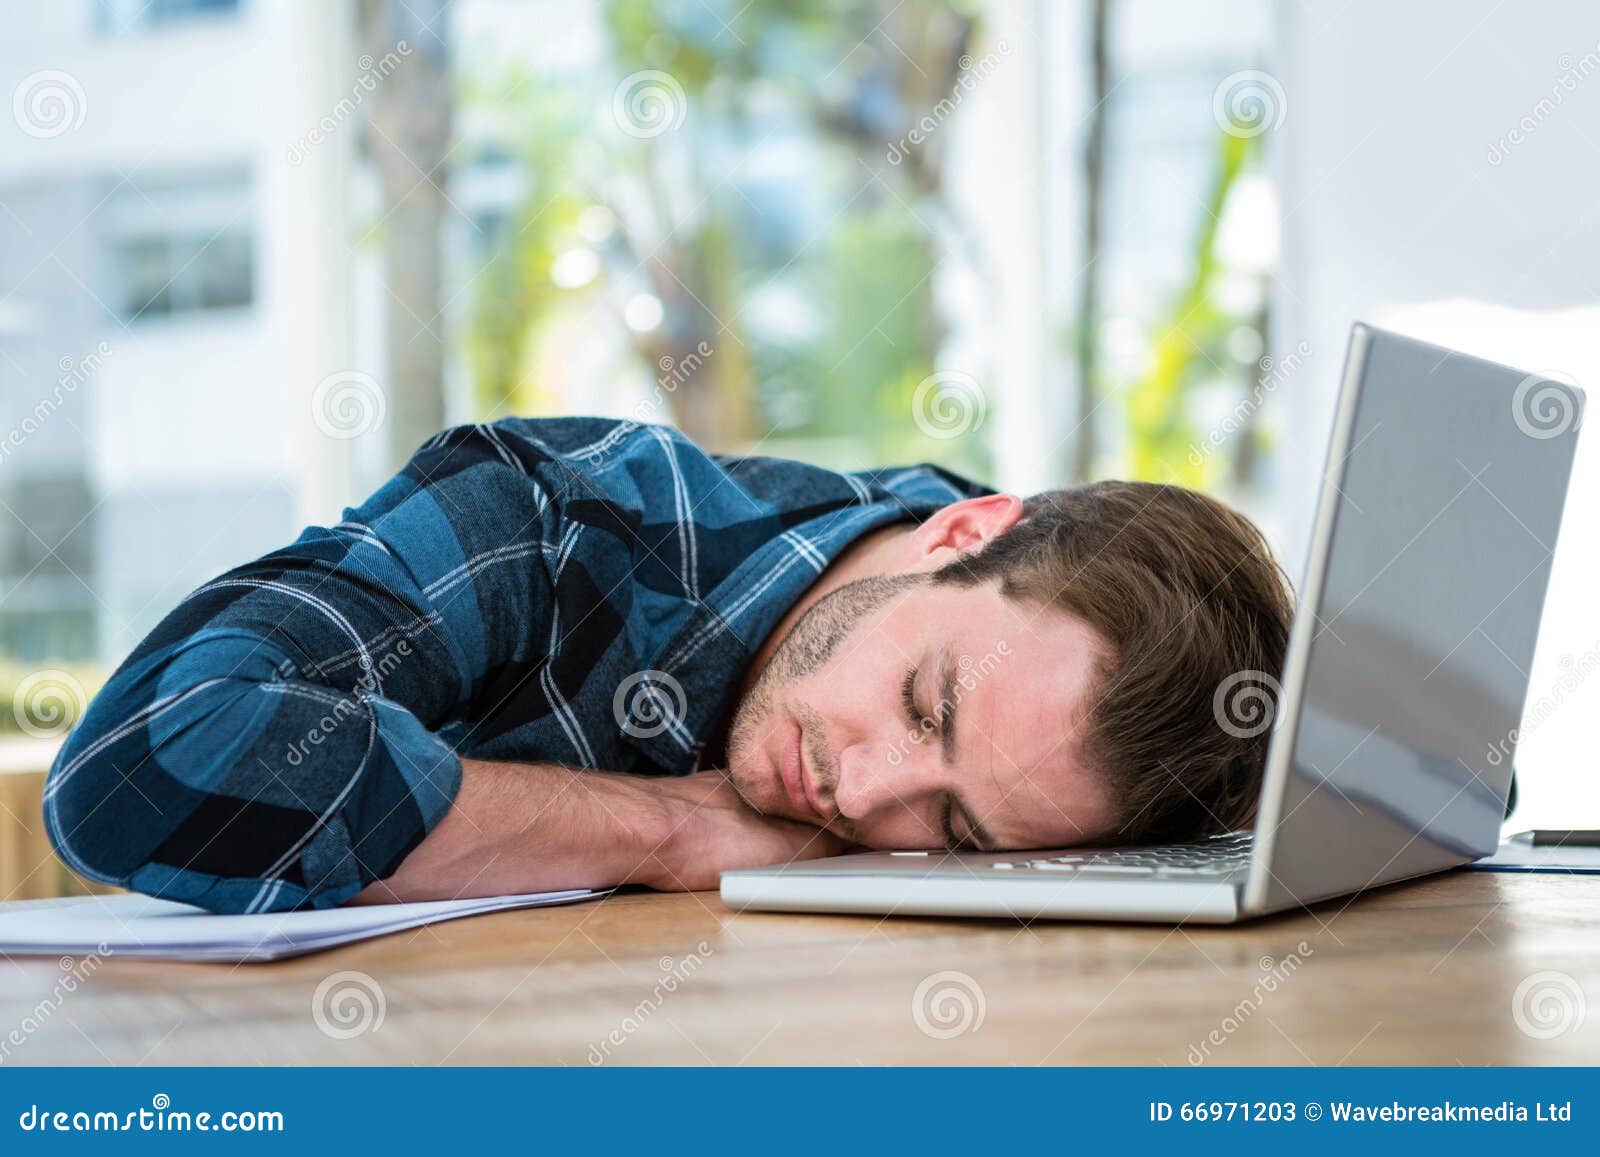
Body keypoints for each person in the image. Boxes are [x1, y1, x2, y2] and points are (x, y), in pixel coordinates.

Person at [44, 417, 1292, 914]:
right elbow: (140, 762)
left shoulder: (1044, 643)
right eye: (924, 707)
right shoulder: (550, 522)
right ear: (963, 532)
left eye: (955, 830)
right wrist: (664, 828)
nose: (862, 795)